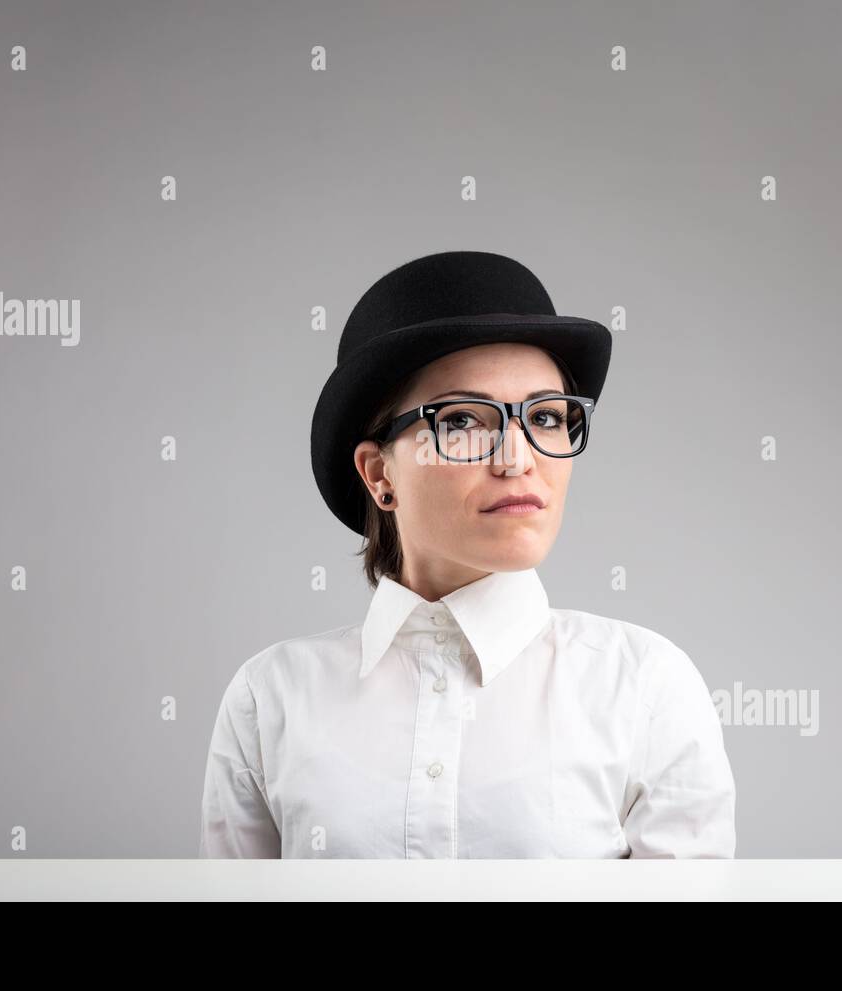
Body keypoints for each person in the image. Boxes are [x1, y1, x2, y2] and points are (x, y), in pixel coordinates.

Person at [199, 250, 736, 858]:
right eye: (462, 422)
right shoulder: (270, 699)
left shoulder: (644, 686)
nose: (517, 458)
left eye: (548, 416)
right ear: (380, 475)